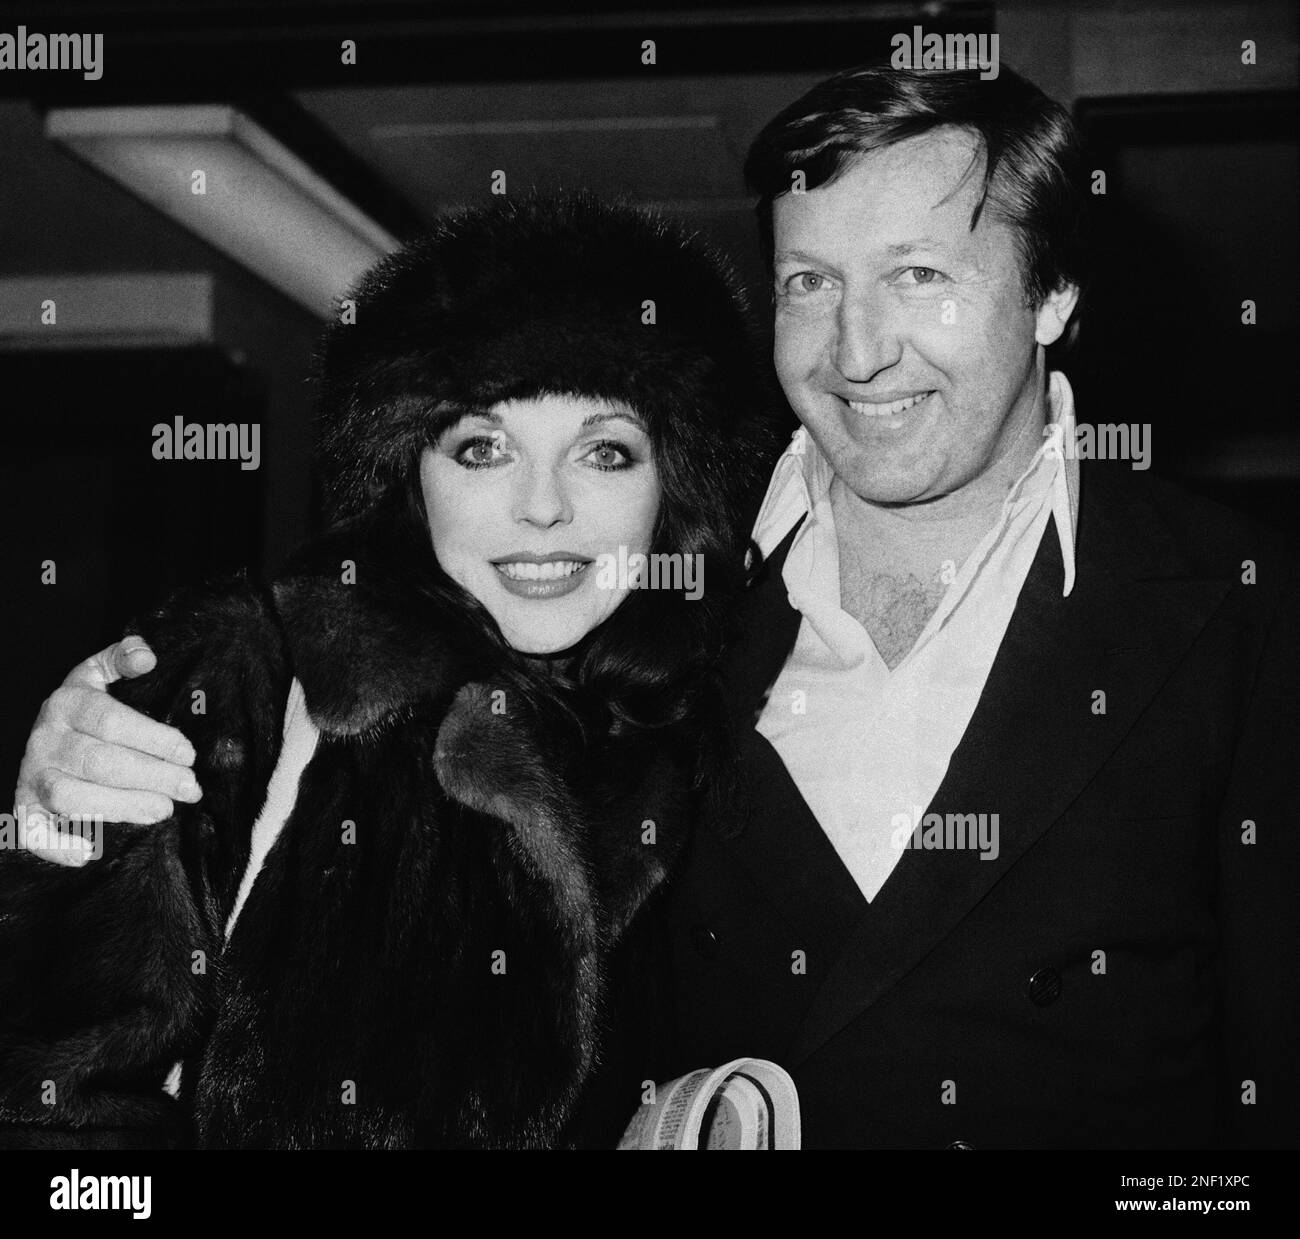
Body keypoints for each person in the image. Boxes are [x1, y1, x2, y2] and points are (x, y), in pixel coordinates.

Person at [14, 65, 1299, 1151]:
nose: (857, 352)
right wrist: (55, 817)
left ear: (1054, 294)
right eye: (810, 284)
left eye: (919, 276)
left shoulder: (1242, 611)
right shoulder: (640, 613)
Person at [0, 193, 776, 1149]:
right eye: (483, 447)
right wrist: (48, 821)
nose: (543, 507)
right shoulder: (245, 670)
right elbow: (51, 1111)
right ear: (413, 473)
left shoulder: (691, 733)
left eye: (605, 451)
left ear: (672, 489)